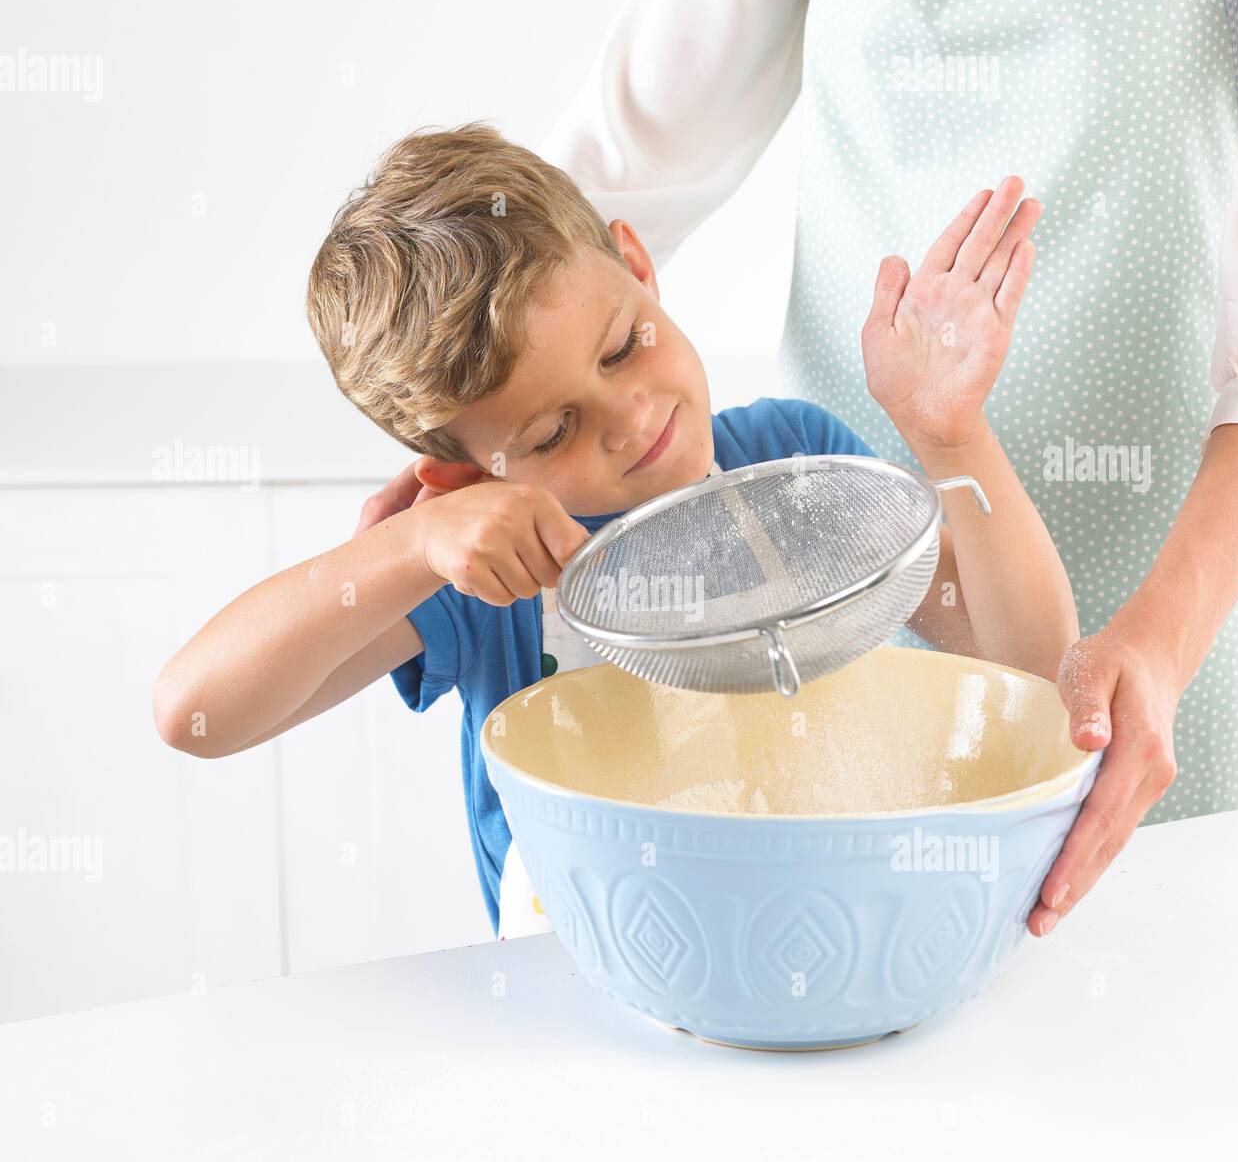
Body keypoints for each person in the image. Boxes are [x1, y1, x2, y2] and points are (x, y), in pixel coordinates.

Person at [396, 0, 1238, 939]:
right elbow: (604, 192)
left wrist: (1161, 643)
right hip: (824, 583)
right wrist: (467, 443)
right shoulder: (777, 446)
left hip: (1173, 592)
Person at [154, 123, 1074, 940]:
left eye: (623, 344)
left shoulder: (796, 467)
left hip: (817, 951)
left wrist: (952, 437)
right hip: (587, 1015)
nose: (631, 419)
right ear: (468, 476)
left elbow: (1033, 662)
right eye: (551, 433)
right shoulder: (485, 580)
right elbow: (193, 714)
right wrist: (401, 552)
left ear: (638, 265)